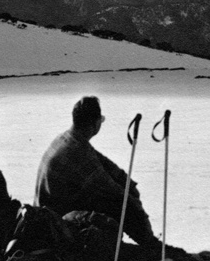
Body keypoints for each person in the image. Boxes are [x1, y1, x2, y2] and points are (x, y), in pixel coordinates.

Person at [34, 96, 159, 248]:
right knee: (120, 206)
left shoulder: (70, 138)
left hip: (55, 209)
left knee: (119, 200)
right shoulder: (78, 152)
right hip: (55, 222)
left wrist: (128, 183)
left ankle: (146, 244)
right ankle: (150, 247)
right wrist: (134, 202)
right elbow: (112, 190)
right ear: (94, 124)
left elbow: (106, 165)